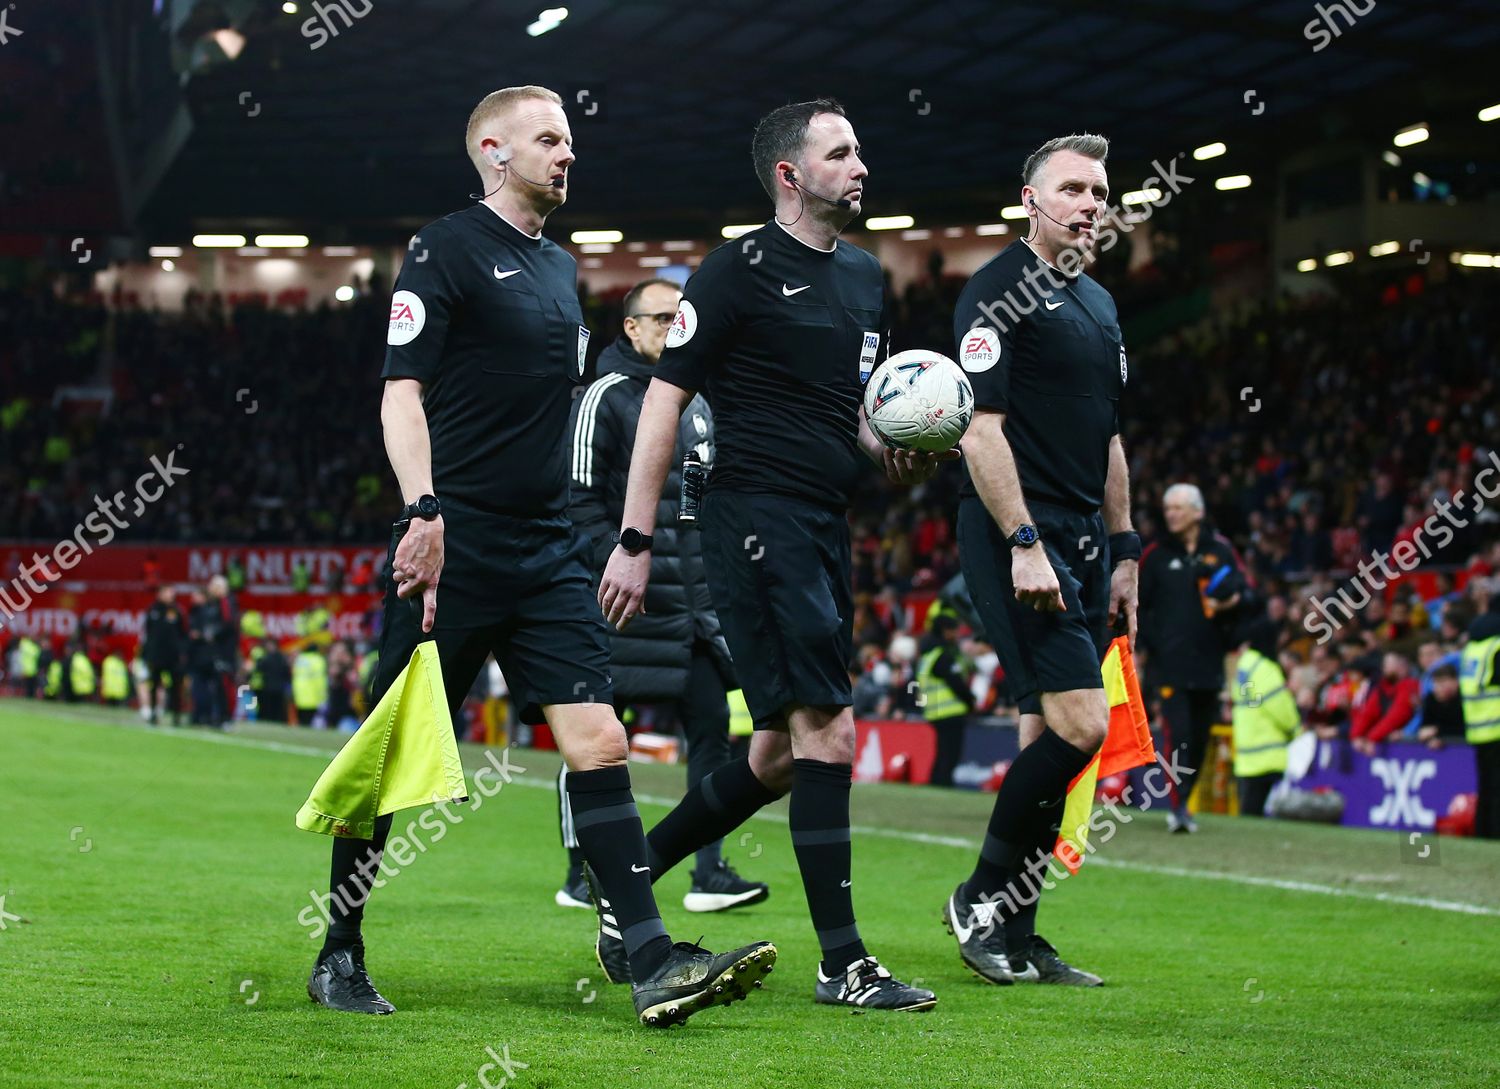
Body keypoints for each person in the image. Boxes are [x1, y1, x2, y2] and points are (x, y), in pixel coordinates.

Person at [305, 85, 773, 1027]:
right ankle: (339, 948)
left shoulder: (560, 270)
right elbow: (402, 395)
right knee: (390, 753)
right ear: (492, 149)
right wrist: (423, 513)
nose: (568, 155)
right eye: (548, 139)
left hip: (546, 545)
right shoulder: (444, 250)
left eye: (571, 140)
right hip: (455, 542)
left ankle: (648, 960)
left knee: (598, 740)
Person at [599, 98, 943, 1012]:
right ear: (790, 175)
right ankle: (844, 965)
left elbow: (851, 417)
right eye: (841, 152)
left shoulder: (867, 277)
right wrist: (635, 538)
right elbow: (665, 403)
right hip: (756, 522)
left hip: (828, 521)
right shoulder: (733, 272)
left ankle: (626, 878)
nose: (861, 164)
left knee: (778, 759)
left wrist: (890, 448)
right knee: (830, 731)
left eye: (860, 148)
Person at [941, 133, 1135, 988]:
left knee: (1043, 731)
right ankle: (980, 892)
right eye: (1073, 189)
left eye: (1099, 191)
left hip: (1088, 539)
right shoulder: (995, 293)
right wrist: (1024, 541)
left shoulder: (1098, 303)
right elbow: (980, 433)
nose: (1090, 204)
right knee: (1081, 725)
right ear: (1031, 199)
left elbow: (1112, 438)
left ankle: (1018, 931)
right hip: (1021, 533)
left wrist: (1125, 548)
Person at [554, 277, 767, 919]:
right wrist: (618, 564)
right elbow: (577, 500)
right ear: (632, 328)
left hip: (693, 610)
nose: (677, 326)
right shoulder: (603, 396)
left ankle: (709, 871)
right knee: (592, 740)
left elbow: (699, 505)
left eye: (684, 317)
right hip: (622, 603)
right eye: (664, 316)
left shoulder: (696, 400)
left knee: (714, 732)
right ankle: (582, 871)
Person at [1138, 482, 1249, 832]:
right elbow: (1138, 605)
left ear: (1197, 512)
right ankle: (1179, 807)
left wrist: (1232, 602)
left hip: (1209, 662)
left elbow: (1244, 595)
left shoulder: (1220, 551)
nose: (1171, 514)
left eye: (1179, 508)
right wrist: (1152, 647)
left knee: (1200, 738)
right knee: (1179, 734)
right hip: (1169, 666)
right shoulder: (1155, 555)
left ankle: (1186, 800)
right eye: (1168, 508)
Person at [1230, 619, 1300, 816]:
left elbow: (1252, 702)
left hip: (1247, 755)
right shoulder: (1264, 668)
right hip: (1267, 755)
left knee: (1248, 812)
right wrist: (1295, 728)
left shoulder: (1243, 665)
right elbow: (1278, 707)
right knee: (1259, 814)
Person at [1458, 591, 1500, 838]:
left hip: (1477, 726)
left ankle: (1484, 831)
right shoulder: (1496, 645)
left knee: (1486, 785)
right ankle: (1496, 833)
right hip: (1497, 724)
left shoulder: (1473, 647)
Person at [916, 615, 976, 787]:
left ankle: (935, 783)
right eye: (954, 630)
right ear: (946, 631)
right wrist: (971, 702)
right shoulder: (943, 656)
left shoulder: (927, 657)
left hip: (934, 713)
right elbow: (957, 683)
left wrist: (921, 706)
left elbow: (916, 686)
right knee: (950, 754)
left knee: (942, 752)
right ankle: (944, 784)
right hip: (951, 712)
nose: (957, 634)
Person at [1349, 652, 1420, 755]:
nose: (1384, 668)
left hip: (1408, 746)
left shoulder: (1410, 685)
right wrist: (1356, 735)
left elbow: (1397, 715)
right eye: (1384, 665)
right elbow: (1368, 713)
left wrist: (1372, 738)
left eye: (1388, 665)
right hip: (1387, 740)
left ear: (1402, 666)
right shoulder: (1382, 688)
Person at [142, 584, 185, 725]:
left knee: (175, 687)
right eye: (167, 592)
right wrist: (146, 654)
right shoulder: (153, 610)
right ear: (160, 594)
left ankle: (176, 715)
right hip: (156, 656)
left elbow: (182, 634)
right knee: (154, 685)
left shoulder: (177, 611)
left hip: (172, 657)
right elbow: (147, 633)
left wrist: (181, 652)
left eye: (171, 592)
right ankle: (154, 712)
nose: (170, 595)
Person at [250, 637, 291, 724]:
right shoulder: (269, 657)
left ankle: (277, 722)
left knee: (277, 708)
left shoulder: (278, 658)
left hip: (277, 687)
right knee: (267, 707)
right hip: (268, 686)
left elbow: (286, 672)